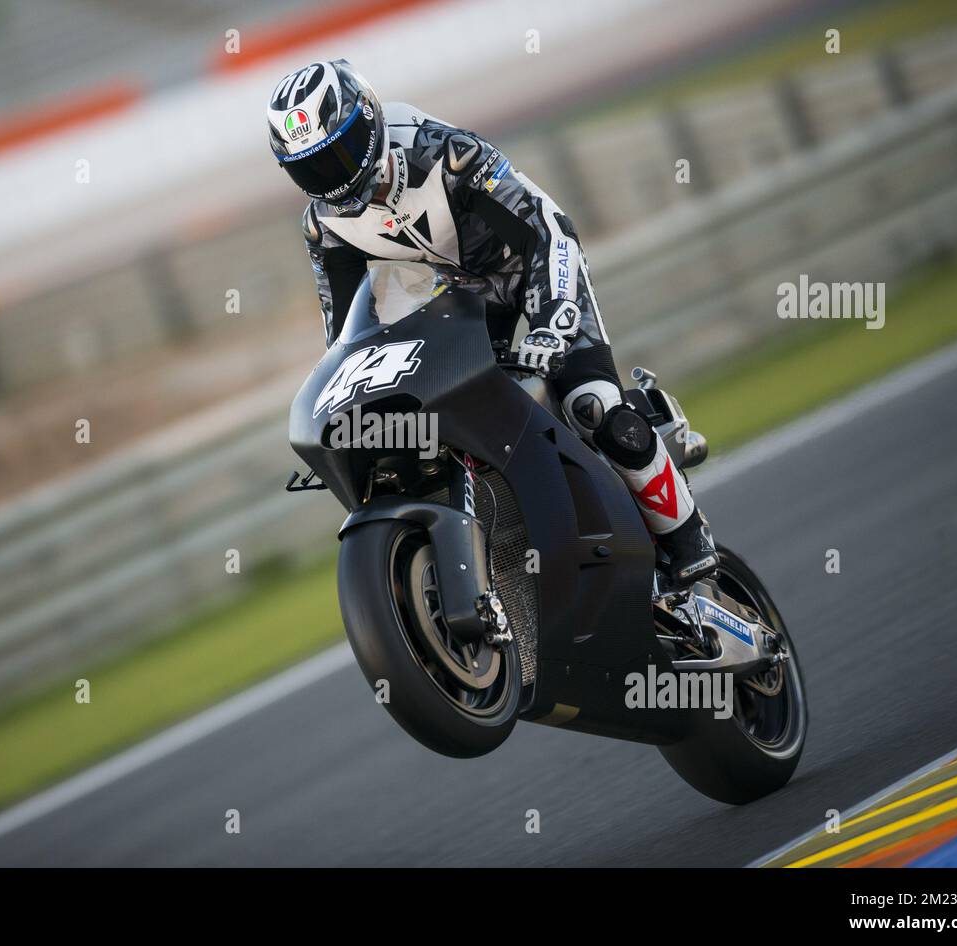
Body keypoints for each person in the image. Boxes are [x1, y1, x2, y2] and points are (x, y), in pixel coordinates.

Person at [267, 59, 718, 584]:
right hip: (458, 303)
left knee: (591, 404)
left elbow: (544, 230)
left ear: (368, 125)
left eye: (340, 154)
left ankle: (687, 538)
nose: (333, 177)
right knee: (448, 426)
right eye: (313, 168)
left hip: (533, 269)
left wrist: (554, 320)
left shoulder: (444, 154)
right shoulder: (324, 227)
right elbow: (344, 335)